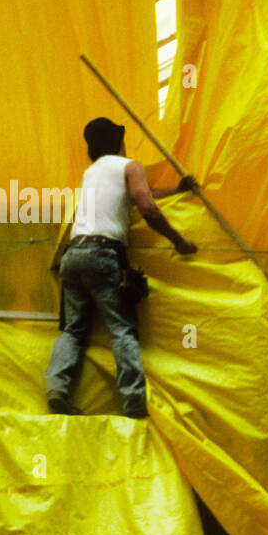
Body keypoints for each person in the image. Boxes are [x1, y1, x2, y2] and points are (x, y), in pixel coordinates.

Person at [43, 117, 197, 418]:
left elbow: (134, 196)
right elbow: (147, 206)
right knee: (122, 329)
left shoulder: (90, 173)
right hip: (102, 254)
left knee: (73, 330)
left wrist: (176, 190)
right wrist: (178, 241)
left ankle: (56, 390)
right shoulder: (129, 166)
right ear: (119, 141)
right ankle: (134, 405)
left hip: (73, 256)